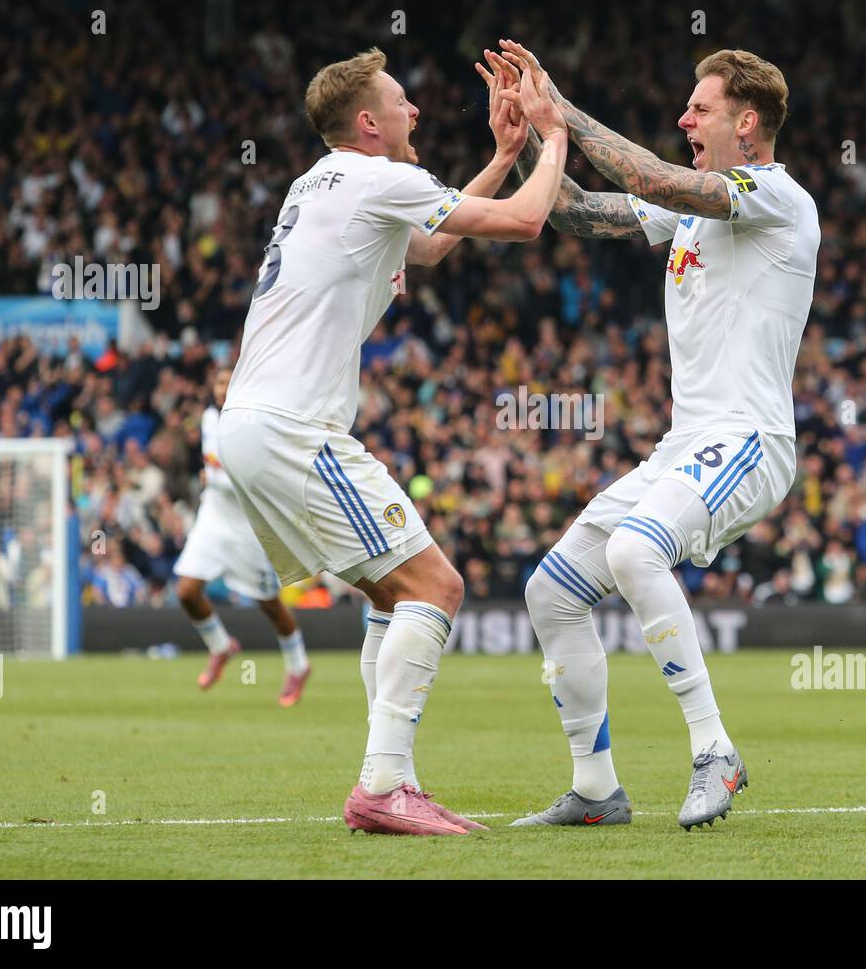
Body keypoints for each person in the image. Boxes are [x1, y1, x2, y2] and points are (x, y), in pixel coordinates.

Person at [217, 47, 569, 836]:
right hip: (291, 427)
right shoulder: (379, 179)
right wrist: (555, 138)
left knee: (390, 595)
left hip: (253, 425)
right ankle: (382, 786)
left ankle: (393, 782)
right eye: (404, 103)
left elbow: (431, 245)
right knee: (435, 589)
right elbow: (526, 221)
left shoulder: (319, 183)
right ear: (369, 123)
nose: (418, 114)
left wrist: (506, 155)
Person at [497, 41, 818, 830]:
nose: (683, 118)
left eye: (698, 108)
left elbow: (650, 176)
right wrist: (523, 142)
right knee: (552, 591)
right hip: (685, 446)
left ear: (748, 122)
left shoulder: (776, 196)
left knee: (635, 550)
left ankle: (715, 751)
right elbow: (572, 209)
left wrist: (562, 109)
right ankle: (598, 789)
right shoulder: (696, 209)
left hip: (749, 437)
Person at [174, 366, 311, 706]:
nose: (221, 388)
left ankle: (299, 665)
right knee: (187, 591)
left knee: (268, 604)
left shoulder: (256, 423)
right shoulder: (208, 416)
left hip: (248, 526)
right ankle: (221, 646)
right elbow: (216, 470)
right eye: (218, 382)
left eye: (228, 382)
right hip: (213, 517)